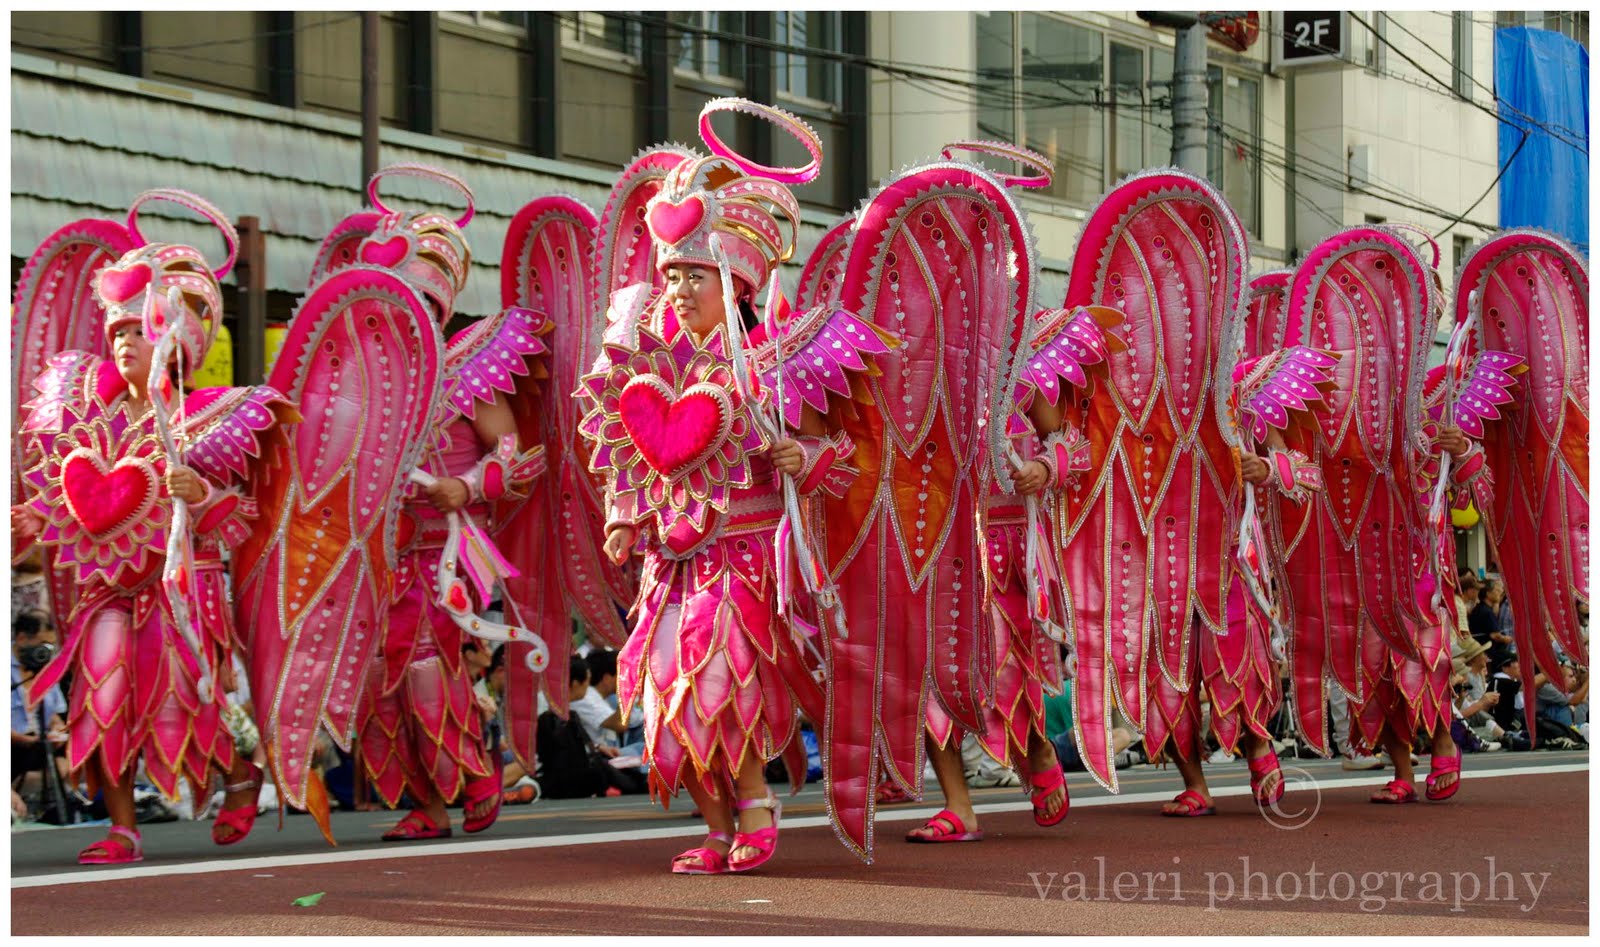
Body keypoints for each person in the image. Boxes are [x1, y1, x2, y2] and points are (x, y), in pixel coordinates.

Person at [579, 99, 830, 874]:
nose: (681, 288)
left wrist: (803, 460)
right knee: (663, 693)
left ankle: (756, 807)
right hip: (671, 564)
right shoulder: (646, 368)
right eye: (673, 274)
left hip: (744, 561)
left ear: (736, 283)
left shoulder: (775, 360)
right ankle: (718, 824)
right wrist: (624, 519)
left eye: (697, 274)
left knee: (722, 679)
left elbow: (839, 454)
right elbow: (631, 456)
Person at [11, 192, 295, 862]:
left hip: (180, 593)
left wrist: (199, 497)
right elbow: (59, 501)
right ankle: (122, 827)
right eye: (117, 331)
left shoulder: (215, 417)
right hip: (107, 593)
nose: (124, 341)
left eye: (139, 329)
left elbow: (240, 522)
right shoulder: (81, 418)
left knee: (185, 702)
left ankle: (239, 773)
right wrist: (28, 521)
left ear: (176, 340)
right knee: (101, 696)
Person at [1470, 583, 1514, 672]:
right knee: (1515, 659)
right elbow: (1496, 636)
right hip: (1489, 652)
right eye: (1497, 591)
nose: (1500, 593)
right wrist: (1508, 639)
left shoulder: (1481, 608)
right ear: (1488, 593)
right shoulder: (1487, 612)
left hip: (1484, 649)